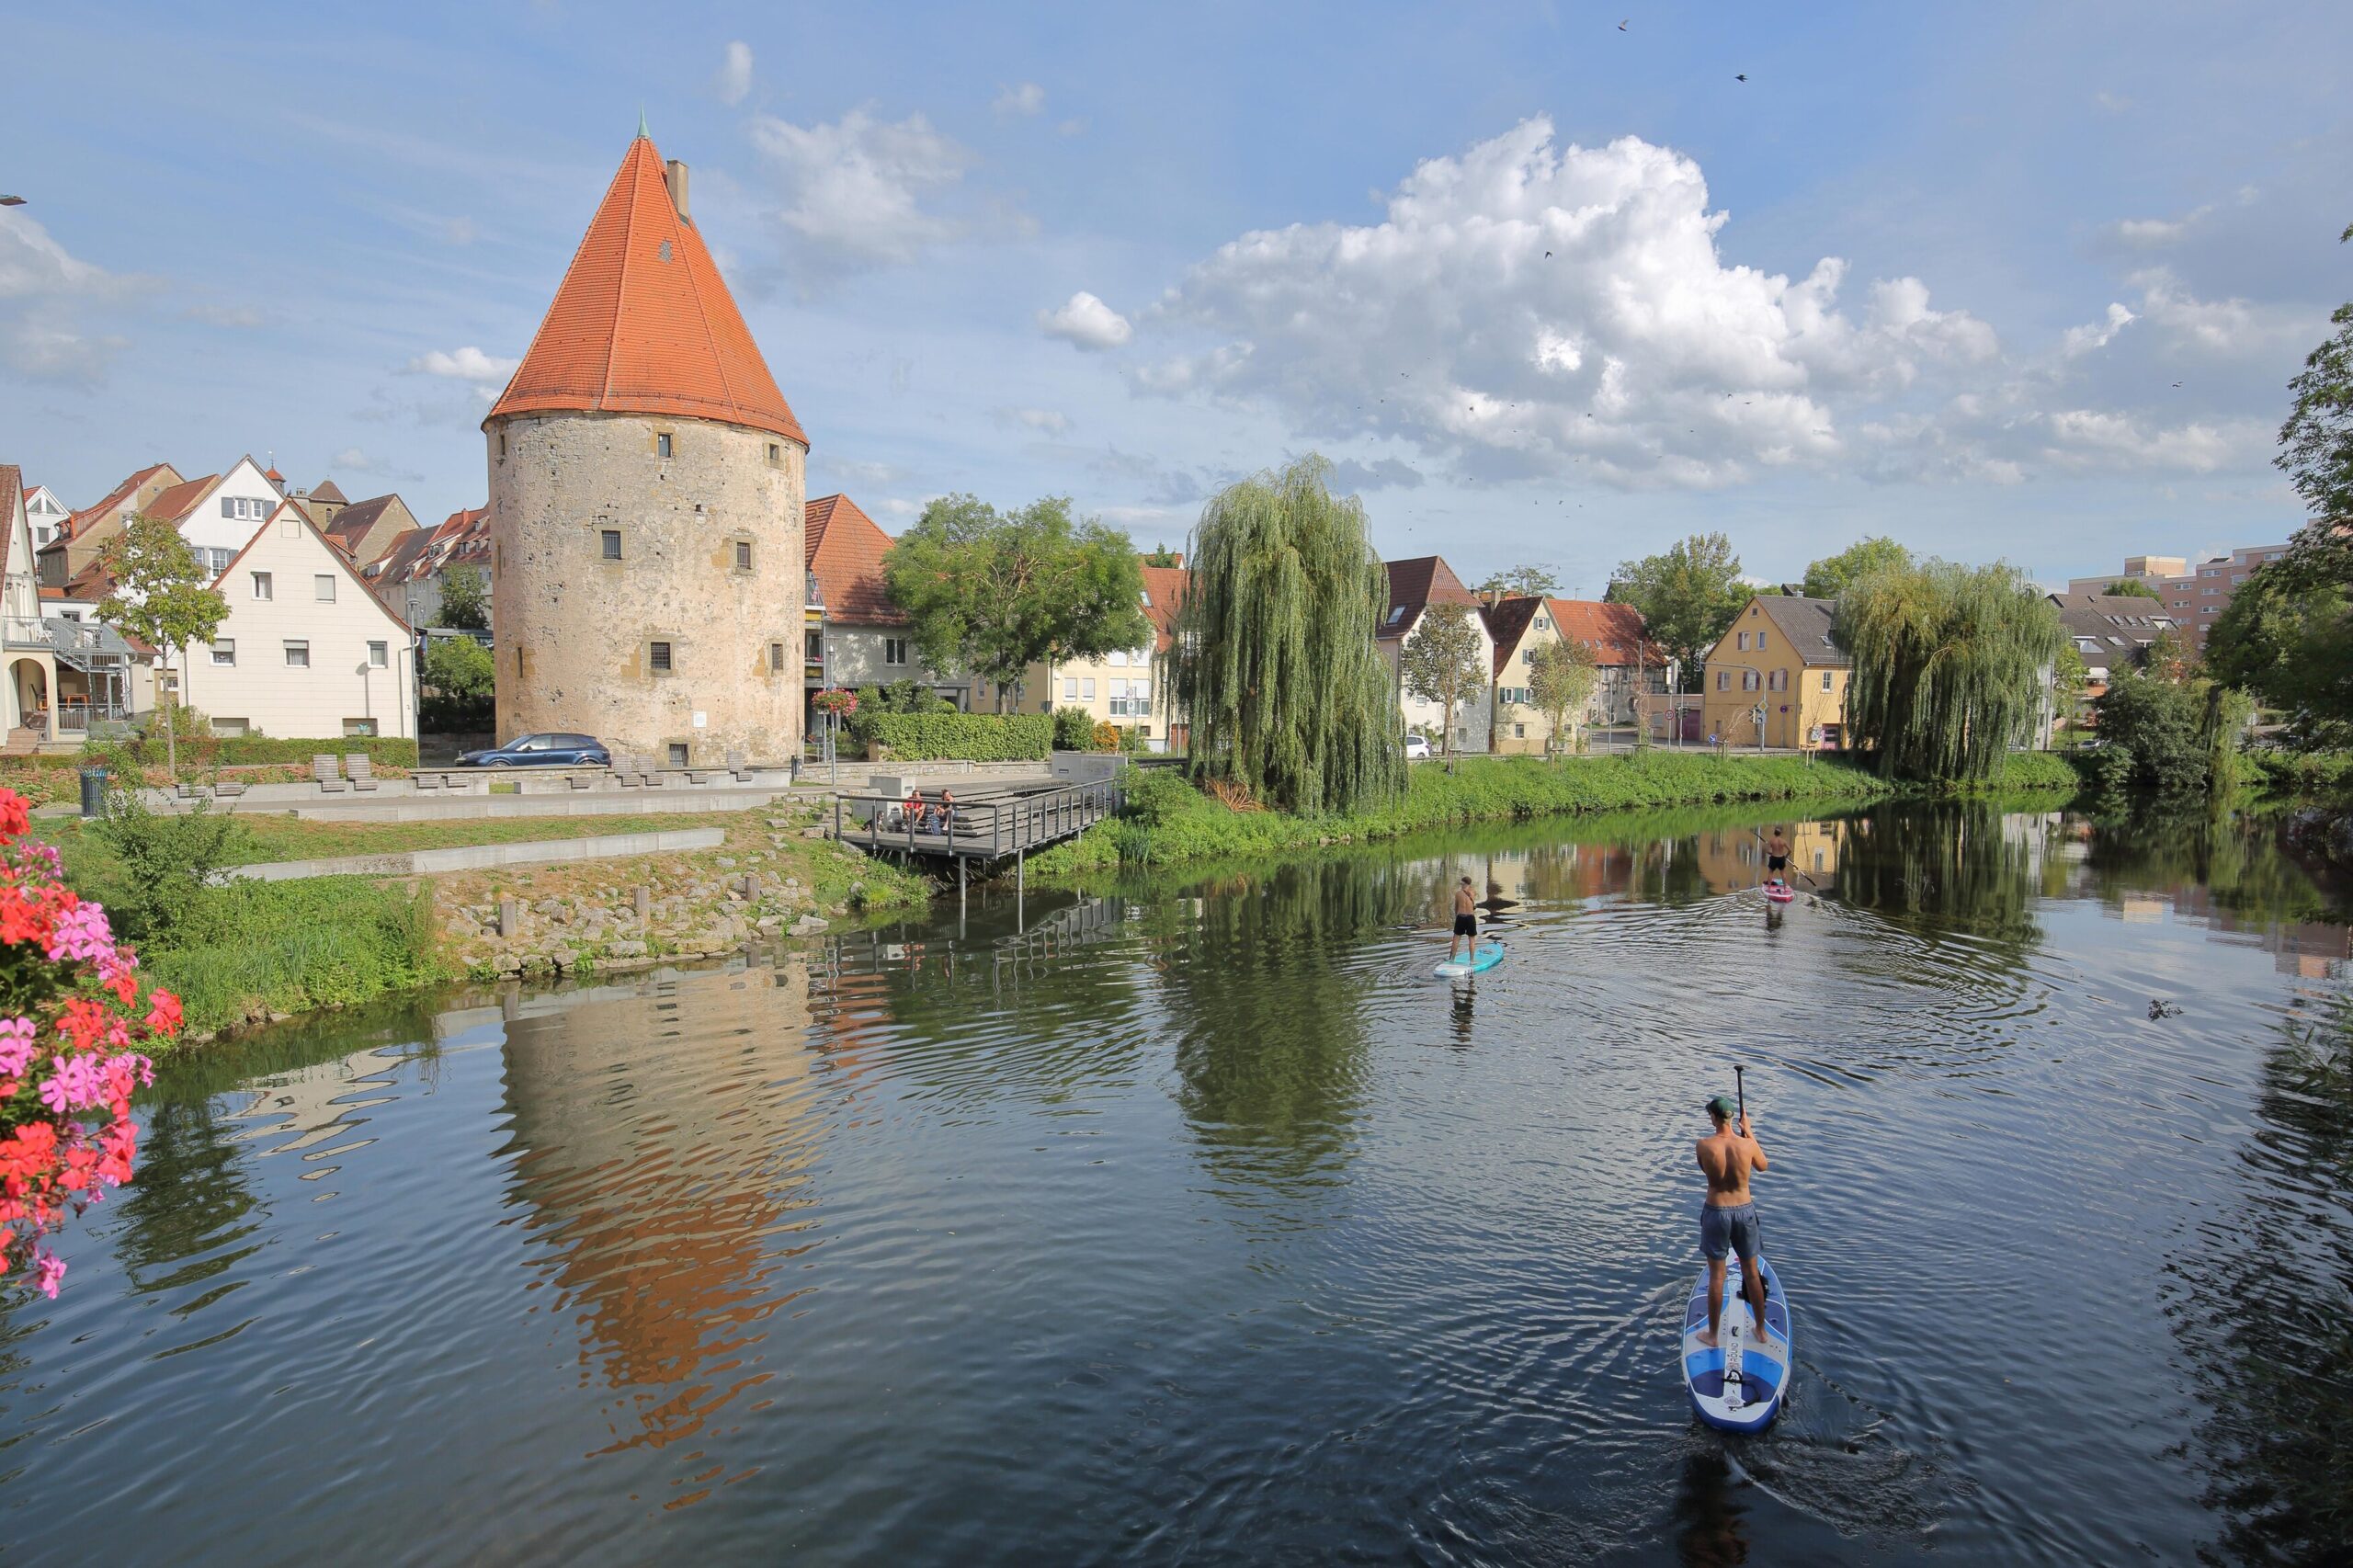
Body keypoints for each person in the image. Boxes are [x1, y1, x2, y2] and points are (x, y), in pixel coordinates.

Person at [1695, 1095, 1771, 1348]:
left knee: (1718, 1276)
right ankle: (1761, 1330)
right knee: (1751, 1273)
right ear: (1732, 1119)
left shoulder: (1703, 1145)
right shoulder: (1747, 1145)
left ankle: (1713, 1336)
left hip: (1716, 1210)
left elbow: (1706, 1170)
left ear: (1714, 1117)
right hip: (1744, 1211)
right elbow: (1763, 1166)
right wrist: (1748, 1132)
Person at [1449, 875, 1478, 961]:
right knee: (1471, 939)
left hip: (1460, 917)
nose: (1460, 884)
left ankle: (1452, 959)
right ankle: (1472, 961)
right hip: (1470, 917)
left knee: (1456, 939)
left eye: (1461, 883)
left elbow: (1456, 907)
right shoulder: (1473, 892)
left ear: (1463, 883)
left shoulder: (1458, 894)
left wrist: (1456, 916)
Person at [1764, 826, 1790, 892]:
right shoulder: (1783, 841)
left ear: (1774, 833)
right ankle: (1785, 888)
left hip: (1774, 858)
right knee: (1783, 873)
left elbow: (1767, 851)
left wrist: (1772, 853)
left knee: (1770, 872)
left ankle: (1769, 888)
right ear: (1780, 834)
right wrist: (1786, 856)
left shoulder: (1771, 841)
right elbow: (1790, 850)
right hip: (1781, 858)